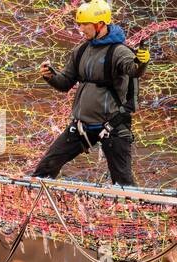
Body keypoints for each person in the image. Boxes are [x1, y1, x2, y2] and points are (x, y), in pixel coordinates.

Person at [33, 2, 144, 187]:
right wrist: (51, 76)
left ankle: (133, 205)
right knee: (44, 169)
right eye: (80, 24)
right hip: (81, 127)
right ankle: (37, 201)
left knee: (124, 184)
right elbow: (65, 83)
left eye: (85, 24)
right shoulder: (81, 50)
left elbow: (134, 70)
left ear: (100, 24)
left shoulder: (120, 52)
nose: (81, 28)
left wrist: (142, 62)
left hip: (113, 127)